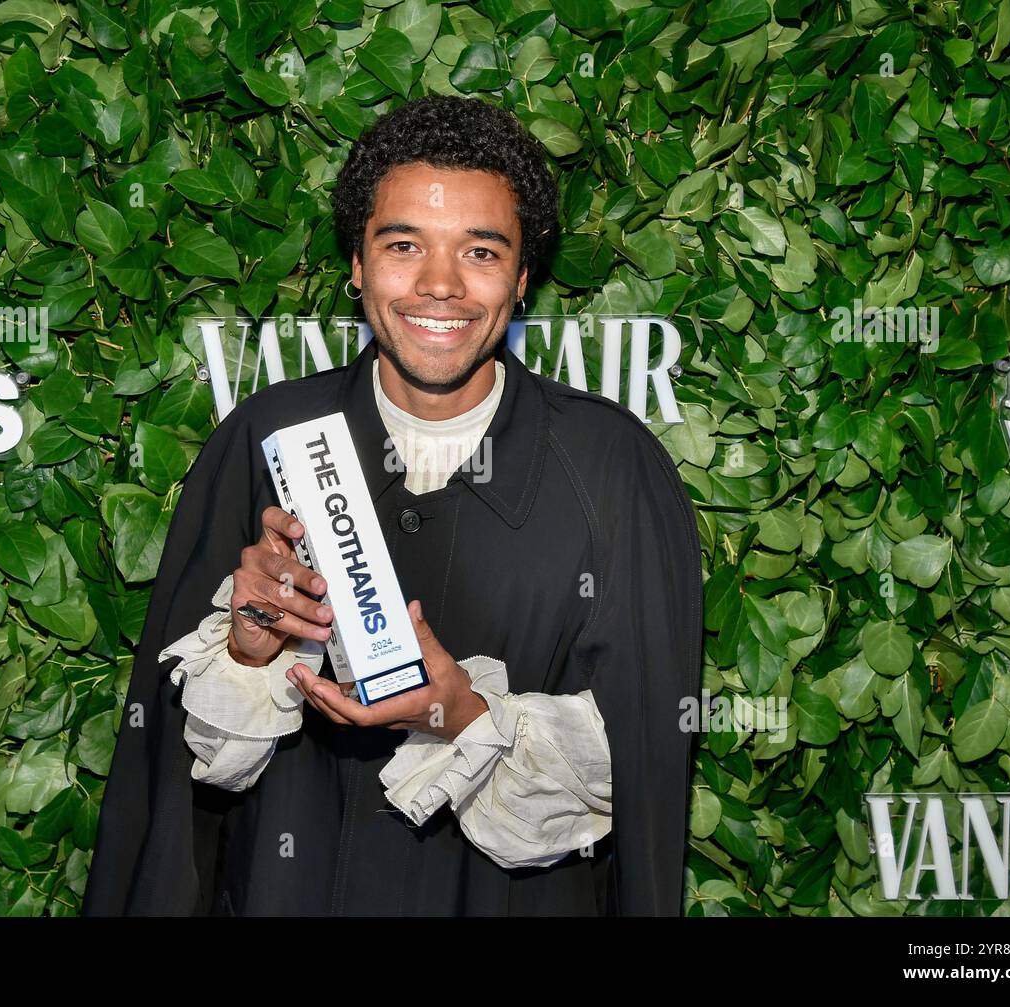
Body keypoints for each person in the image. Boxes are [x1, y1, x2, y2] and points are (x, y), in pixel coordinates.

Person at [82, 95, 704, 916]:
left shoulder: (614, 467)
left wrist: (465, 712)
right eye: (403, 244)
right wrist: (246, 648)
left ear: (522, 278)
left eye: (480, 252)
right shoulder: (266, 438)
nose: (439, 284)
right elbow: (175, 782)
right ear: (356, 264)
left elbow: (640, 780)